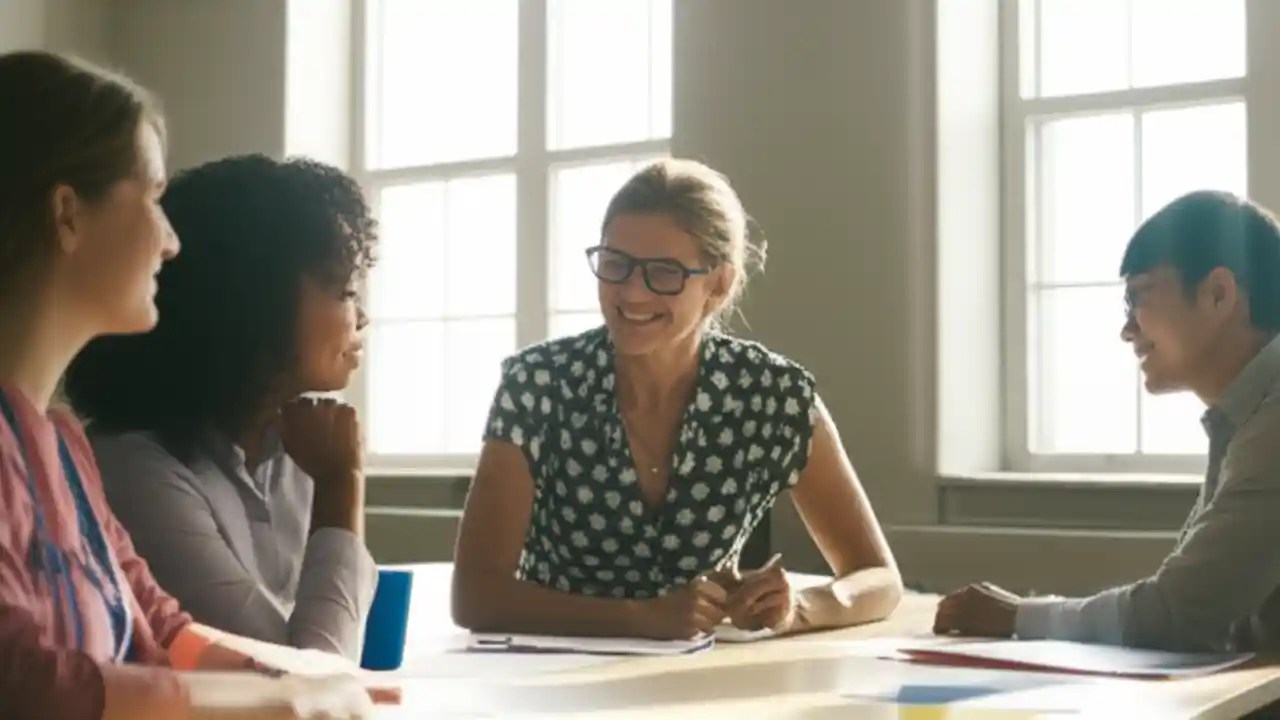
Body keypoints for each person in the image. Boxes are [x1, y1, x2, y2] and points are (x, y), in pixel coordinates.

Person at [0, 51, 379, 719]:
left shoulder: (62, 445)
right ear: (68, 215)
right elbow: (19, 679)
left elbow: (162, 628)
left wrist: (296, 681)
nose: (171, 242)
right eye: (150, 196)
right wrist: (256, 704)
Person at [452, 158, 903, 640]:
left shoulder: (774, 397)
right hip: (549, 678)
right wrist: (639, 618)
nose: (631, 293)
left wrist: (798, 608)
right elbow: (476, 596)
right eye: (615, 264)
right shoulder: (537, 383)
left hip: (703, 681)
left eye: (663, 272)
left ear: (720, 283)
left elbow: (879, 578)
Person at [934, 190, 1280, 653]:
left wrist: (1018, 616)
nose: (1126, 330)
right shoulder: (1247, 414)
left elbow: (1177, 612)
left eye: (1137, 297)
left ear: (1218, 294)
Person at [64, 155, 379, 660]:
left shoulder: (299, 446)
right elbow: (305, 677)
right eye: (343, 289)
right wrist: (342, 486)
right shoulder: (137, 471)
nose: (362, 316)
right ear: (253, 300)